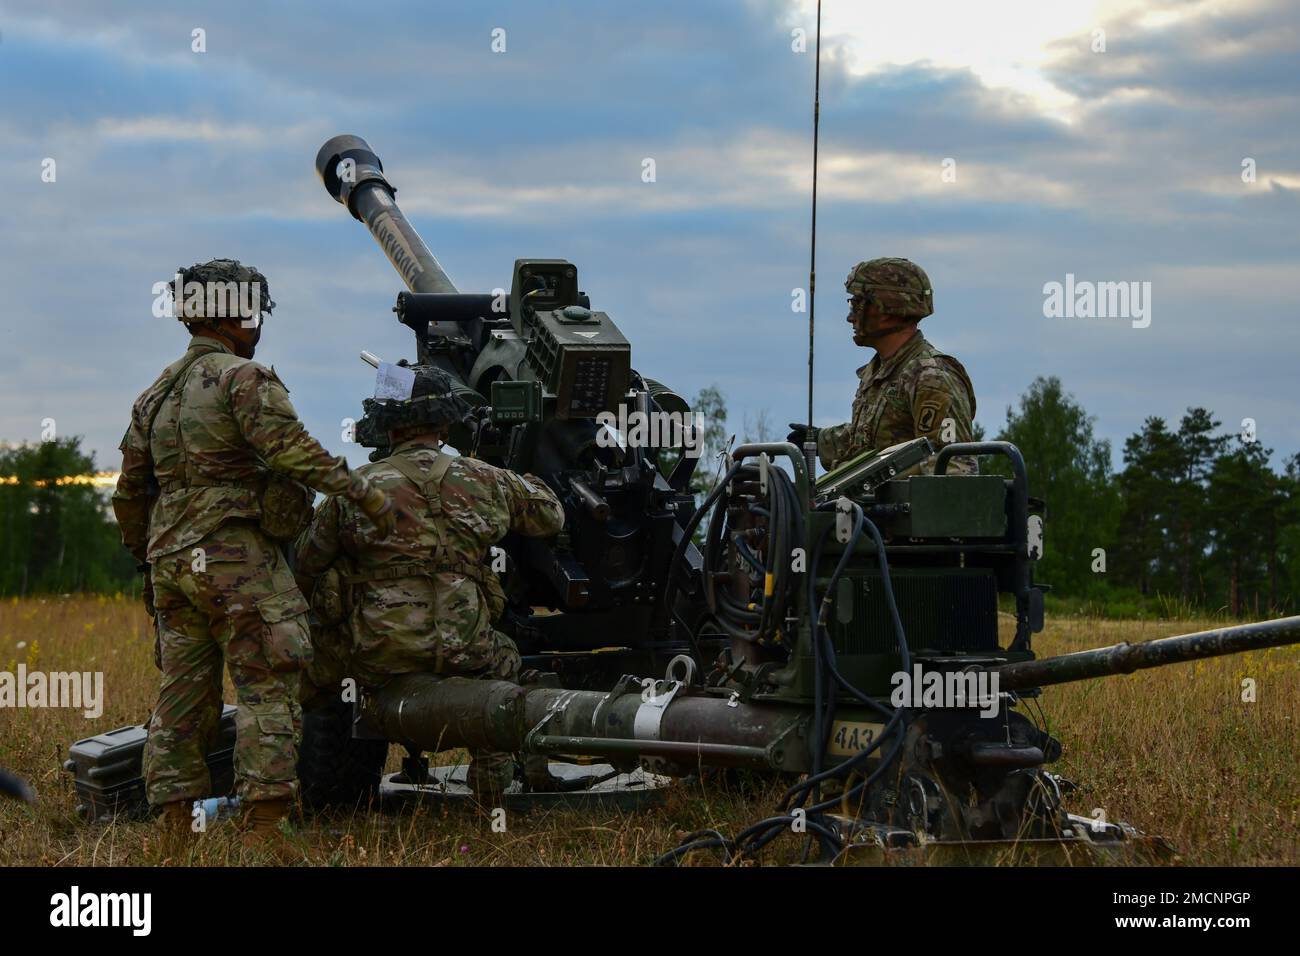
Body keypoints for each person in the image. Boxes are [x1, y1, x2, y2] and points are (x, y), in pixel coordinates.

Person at [112, 258, 395, 851]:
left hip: (172, 564)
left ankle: (174, 834)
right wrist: (365, 492)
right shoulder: (244, 379)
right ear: (238, 313)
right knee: (268, 686)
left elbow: (130, 494)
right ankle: (266, 833)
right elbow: (291, 452)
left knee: (182, 698)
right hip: (237, 555)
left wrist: (151, 560)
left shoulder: (153, 396)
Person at [294, 369, 565, 800]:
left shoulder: (353, 489)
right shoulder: (484, 478)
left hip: (379, 655)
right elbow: (551, 516)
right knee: (506, 659)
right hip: (466, 648)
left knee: (316, 662)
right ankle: (492, 789)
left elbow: (306, 563)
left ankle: (320, 787)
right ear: (444, 424)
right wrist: (522, 477)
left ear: (389, 425)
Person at [788, 257, 978, 476]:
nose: (851, 317)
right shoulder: (884, 371)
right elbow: (872, 440)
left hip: (901, 509)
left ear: (887, 309)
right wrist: (821, 441)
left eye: (857, 304)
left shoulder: (931, 376)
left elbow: (954, 469)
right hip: (865, 506)